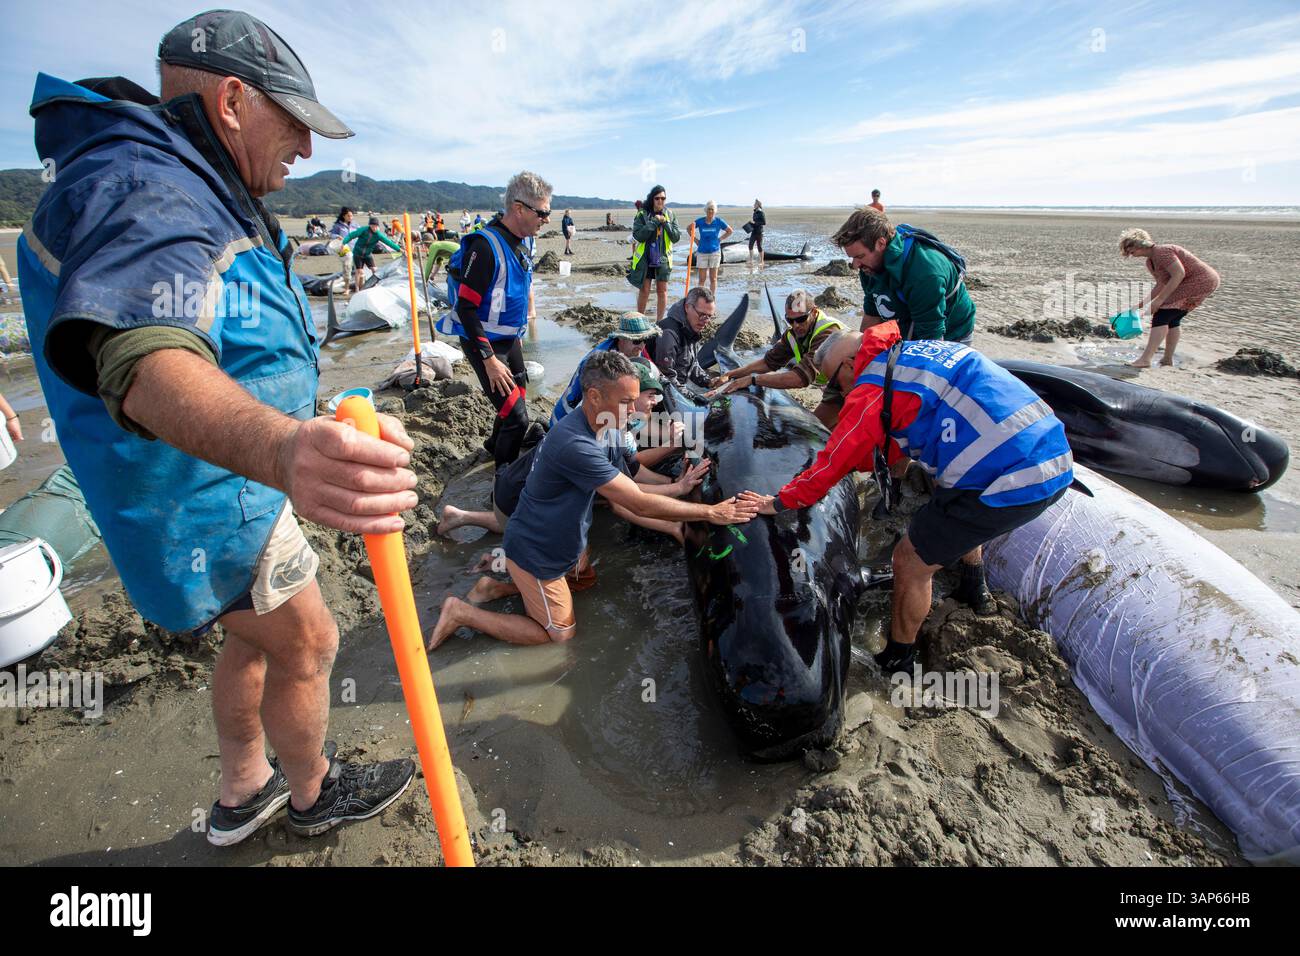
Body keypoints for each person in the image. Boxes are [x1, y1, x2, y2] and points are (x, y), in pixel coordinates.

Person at [18, 9, 417, 847]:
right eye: (296, 124)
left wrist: (295, 422)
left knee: (254, 638)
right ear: (234, 100)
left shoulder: (177, 172)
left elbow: (216, 343)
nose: (307, 151)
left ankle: (244, 789)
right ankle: (311, 794)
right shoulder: (152, 188)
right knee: (308, 636)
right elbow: (142, 355)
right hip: (205, 492)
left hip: (207, 483)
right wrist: (281, 447)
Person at [738, 323, 1073, 675]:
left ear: (851, 363)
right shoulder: (913, 352)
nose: (837, 391)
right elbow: (895, 439)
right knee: (953, 500)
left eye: (834, 381)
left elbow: (832, 464)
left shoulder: (870, 391)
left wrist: (777, 503)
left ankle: (899, 657)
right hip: (1052, 453)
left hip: (1009, 475)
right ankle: (974, 587)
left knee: (910, 560)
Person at [426, 351, 759, 649]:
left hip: (570, 541)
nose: (634, 410)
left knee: (584, 585)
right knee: (558, 635)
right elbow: (635, 502)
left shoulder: (608, 426)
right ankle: (461, 612)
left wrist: (678, 483)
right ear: (595, 396)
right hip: (538, 552)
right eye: (626, 402)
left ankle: (493, 588)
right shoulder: (575, 444)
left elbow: (630, 476)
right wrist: (710, 512)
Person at [439, 362, 707, 555]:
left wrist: (673, 481)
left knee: (513, 519)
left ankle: (460, 516)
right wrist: (680, 499)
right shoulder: (592, 439)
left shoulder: (609, 422)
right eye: (646, 397)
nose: (654, 403)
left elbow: (633, 471)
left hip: (512, 484)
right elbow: (628, 499)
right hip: (516, 496)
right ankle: (500, 565)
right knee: (548, 543)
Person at [436, 171, 550, 469]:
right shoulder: (486, 247)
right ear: (519, 208)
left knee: (520, 392)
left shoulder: (522, 243)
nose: (547, 219)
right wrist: (489, 360)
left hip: (509, 340)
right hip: (484, 343)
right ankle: (503, 485)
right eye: (543, 212)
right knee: (517, 417)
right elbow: (466, 308)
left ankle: (491, 445)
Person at [834, 207, 975, 344]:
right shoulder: (869, 267)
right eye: (852, 258)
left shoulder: (924, 273)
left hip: (953, 332)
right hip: (910, 322)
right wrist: (860, 355)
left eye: (859, 256)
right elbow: (872, 312)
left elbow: (932, 340)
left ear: (881, 243)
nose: (855, 265)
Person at [707, 289, 846, 427]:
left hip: (856, 382)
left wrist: (753, 379)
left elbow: (799, 379)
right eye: (790, 320)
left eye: (801, 319)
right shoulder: (793, 334)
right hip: (836, 384)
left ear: (814, 312)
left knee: (820, 431)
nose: (796, 325)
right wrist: (730, 374)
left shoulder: (827, 332)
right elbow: (768, 363)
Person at [1120, 228, 1220, 368]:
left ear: (1140, 244)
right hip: (1198, 281)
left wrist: (1159, 301)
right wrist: (1141, 305)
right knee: (1173, 318)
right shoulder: (1150, 262)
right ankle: (1167, 359)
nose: (1130, 254)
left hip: (1201, 280)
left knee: (1162, 314)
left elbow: (1179, 274)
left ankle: (1146, 359)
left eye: (1131, 249)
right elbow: (1161, 283)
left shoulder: (1162, 252)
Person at [552, 311, 658, 425]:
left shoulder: (635, 351)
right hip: (568, 416)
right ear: (621, 339)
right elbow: (587, 405)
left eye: (645, 340)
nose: (641, 347)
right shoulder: (599, 365)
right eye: (637, 341)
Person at [628, 185, 680, 322]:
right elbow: (638, 235)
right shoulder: (642, 214)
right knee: (644, 291)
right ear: (652, 199)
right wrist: (655, 221)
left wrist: (666, 224)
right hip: (646, 259)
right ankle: (639, 320)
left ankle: (660, 322)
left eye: (663, 198)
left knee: (662, 291)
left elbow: (676, 237)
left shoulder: (670, 214)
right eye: (657, 198)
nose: (660, 201)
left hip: (662, 259)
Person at [652, 286, 717, 388]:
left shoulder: (692, 327)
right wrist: (693, 398)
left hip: (679, 387)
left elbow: (691, 364)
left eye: (709, 316)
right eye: (702, 314)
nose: (705, 321)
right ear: (687, 307)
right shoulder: (668, 334)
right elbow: (666, 379)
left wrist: (708, 382)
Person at [343, 216, 403, 292]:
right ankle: (357, 289)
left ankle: (377, 285)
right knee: (359, 271)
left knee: (375, 270)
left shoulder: (378, 235)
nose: (374, 228)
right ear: (370, 225)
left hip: (367, 254)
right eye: (373, 226)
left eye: (376, 226)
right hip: (358, 253)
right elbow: (351, 235)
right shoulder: (363, 230)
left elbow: (389, 242)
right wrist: (343, 243)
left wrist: (399, 249)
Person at [692, 201, 732, 296]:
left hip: (715, 252)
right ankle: (701, 299)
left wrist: (720, 239)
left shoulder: (719, 221)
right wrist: (695, 240)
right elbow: (689, 228)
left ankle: (712, 299)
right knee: (702, 279)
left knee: (713, 279)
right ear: (706, 210)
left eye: (712, 209)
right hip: (702, 253)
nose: (710, 211)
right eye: (709, 209)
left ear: (715, 211)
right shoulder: (700, 221)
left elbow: (730, 231)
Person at [747, 199, 766, 264]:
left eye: (755, 204)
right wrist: (751, 224)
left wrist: (755, 223)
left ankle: (762, 261)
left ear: (758, 205)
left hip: (759, 232)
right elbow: (755, 222)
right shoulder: (754, 212)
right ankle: (751, 260)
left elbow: (764, 222)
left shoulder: (761, 213)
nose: (753, 205)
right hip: (754, 231)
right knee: (750, 245)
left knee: (759, 247)